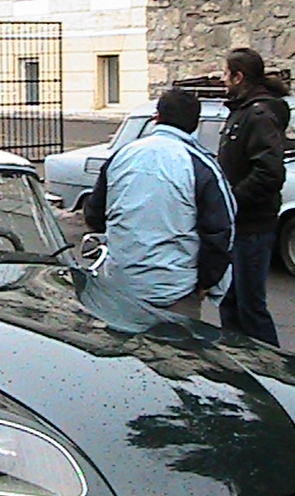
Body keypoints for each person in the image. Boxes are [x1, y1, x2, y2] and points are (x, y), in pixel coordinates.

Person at [81, 87, 235, 325]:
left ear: (157, 117)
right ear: (194, 125)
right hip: (175, 293)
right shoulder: (201, 165)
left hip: (121, 288)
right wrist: (206, 282)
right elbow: (221, 232)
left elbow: (94, 215)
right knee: (175, 357)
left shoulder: (122, 156)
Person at [216, 47, 289, 346]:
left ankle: (275, 377)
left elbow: (269, 173)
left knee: (250, 308)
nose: (222, 80)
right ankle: (234, 371)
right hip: (237, 228)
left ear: (239, 76)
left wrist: (230, 199)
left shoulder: (259, 114)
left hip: (252, 228)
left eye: (225, 74)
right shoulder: (242, 111)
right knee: (230, 304)